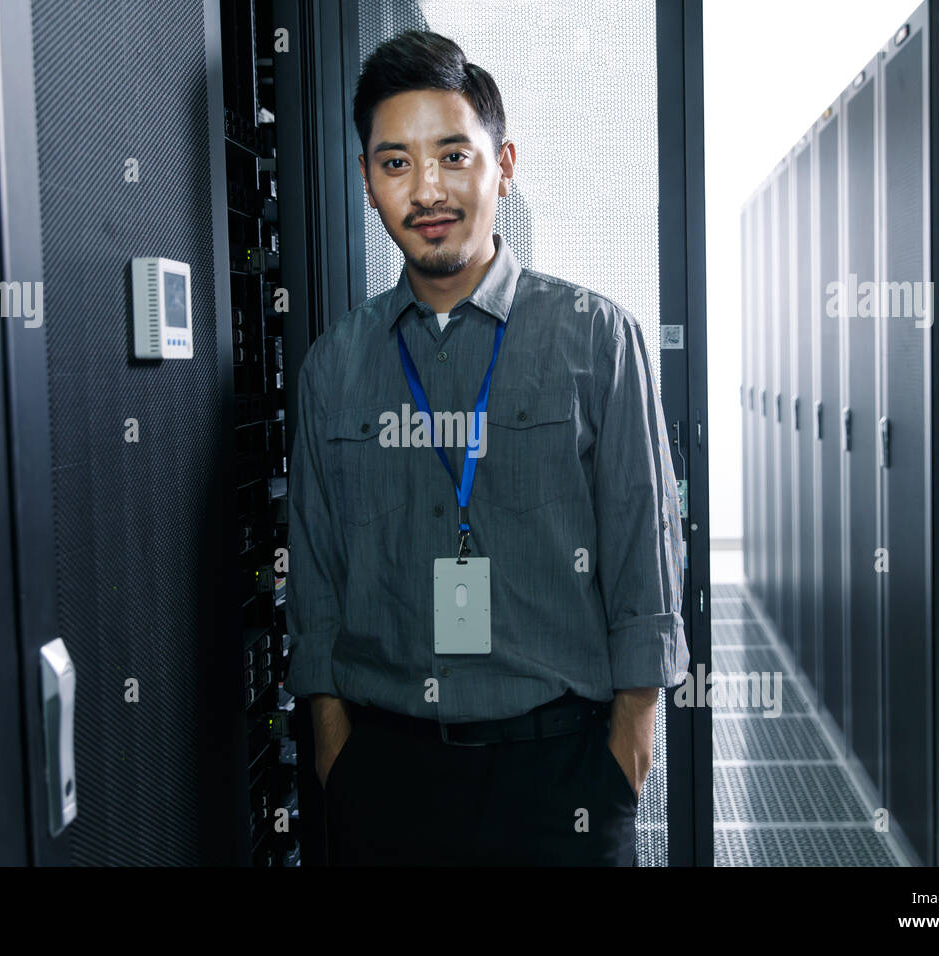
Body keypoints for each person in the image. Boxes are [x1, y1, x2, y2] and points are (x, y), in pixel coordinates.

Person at [283, 29, 688, 866]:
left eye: (453, 155)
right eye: (395, 163)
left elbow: (646, 560)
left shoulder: (596, 340)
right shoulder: (336, 364)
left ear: (502, 166)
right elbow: (315, 574)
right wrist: (334, 744)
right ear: (366, 181)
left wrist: (626, 751)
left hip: (559, 772)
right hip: (387, 773)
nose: (427, 190)